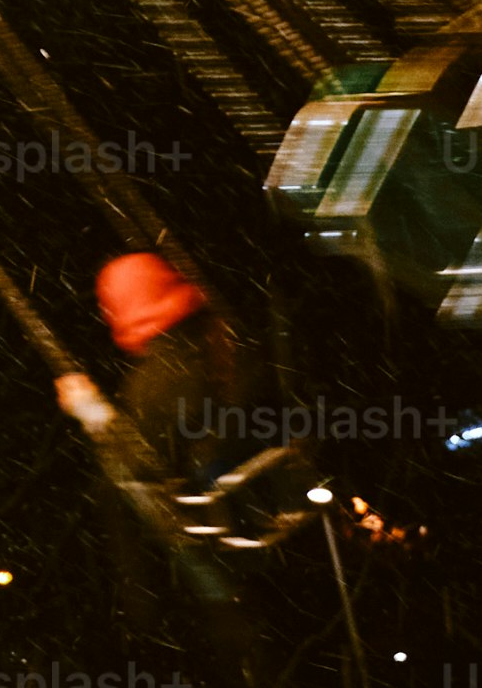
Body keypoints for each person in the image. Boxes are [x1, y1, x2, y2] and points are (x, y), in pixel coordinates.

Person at [51, 250, 316, 683]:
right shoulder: (231, 339)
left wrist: (94, 415)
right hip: (288, 520)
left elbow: (145, 467)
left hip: (227, 552)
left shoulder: (158, 381)